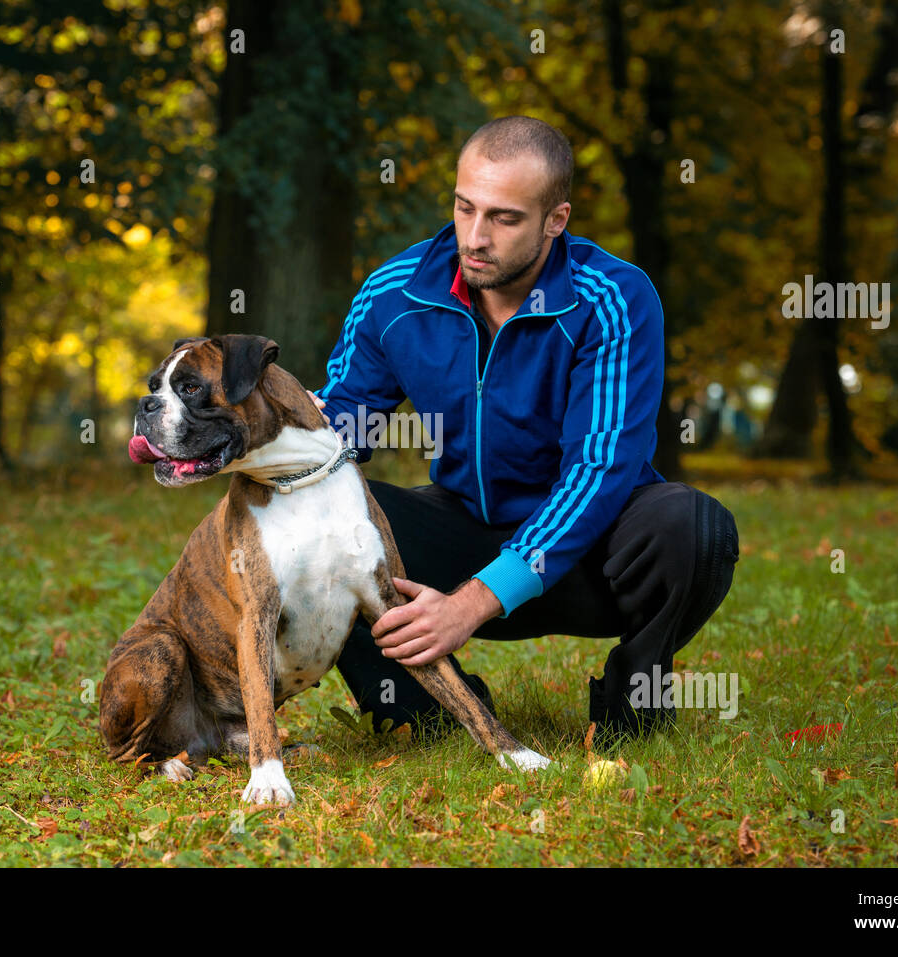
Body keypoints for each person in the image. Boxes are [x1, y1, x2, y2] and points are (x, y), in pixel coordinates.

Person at [309, 116, 739, 748]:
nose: (475, 237)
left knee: (693, 527)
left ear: (555, 220)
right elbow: (343, 425)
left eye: (504, 218)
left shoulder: (614, 297)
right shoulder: (394, 293)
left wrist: (472, 603)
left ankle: (632, 708)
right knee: (320, 516)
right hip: (460, 532)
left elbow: (600, 471)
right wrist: (255, 429)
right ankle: (430, 712)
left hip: (592, 559)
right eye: (464, 208)